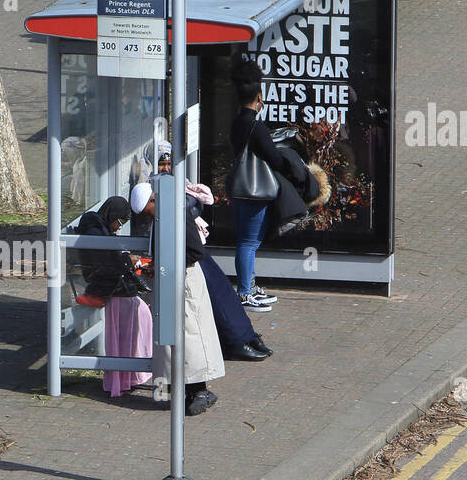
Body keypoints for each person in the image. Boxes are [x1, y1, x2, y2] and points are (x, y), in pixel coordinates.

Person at [227, 58, 324, 313]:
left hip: (242, 190)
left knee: (248, 241)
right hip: (254, 192)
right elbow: (274, 158)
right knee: (249, 243)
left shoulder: (238, 121)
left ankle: (250, 286)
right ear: (259, 95)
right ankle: (245, 293)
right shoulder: (255, 126)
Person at [158, 147, 271, 360]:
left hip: (192, 245)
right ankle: (236, 340)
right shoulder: (151, 188)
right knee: (214, 294)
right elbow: (187, 207)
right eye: (161, 165)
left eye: (168, 164)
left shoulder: (177, 182)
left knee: (223, 289)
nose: (165, 169)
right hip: (180, 252)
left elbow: (193, 206)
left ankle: (246, 334)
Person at [131, 182, 224, 416]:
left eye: (146, 213)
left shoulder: (176, 213)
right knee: (176, 336)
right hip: (173, 278)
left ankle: (200, 389)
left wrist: (160, 265)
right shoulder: (163, 215)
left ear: (153, 201)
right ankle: (187, 389)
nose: (147, 218)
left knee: (191, 335)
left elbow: (195, 252)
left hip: (186, 280)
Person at [75, 196, 153, 397]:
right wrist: (128, 260)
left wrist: (126, 260)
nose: (119, 228)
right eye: (120, 222)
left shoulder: (98, 227)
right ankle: (129, 373)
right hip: (106, 286)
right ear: (112, 216)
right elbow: (105, 264)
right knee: (140, 313)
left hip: (107, 283)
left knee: (141, 314)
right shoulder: (95, 230)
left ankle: (129, 374)